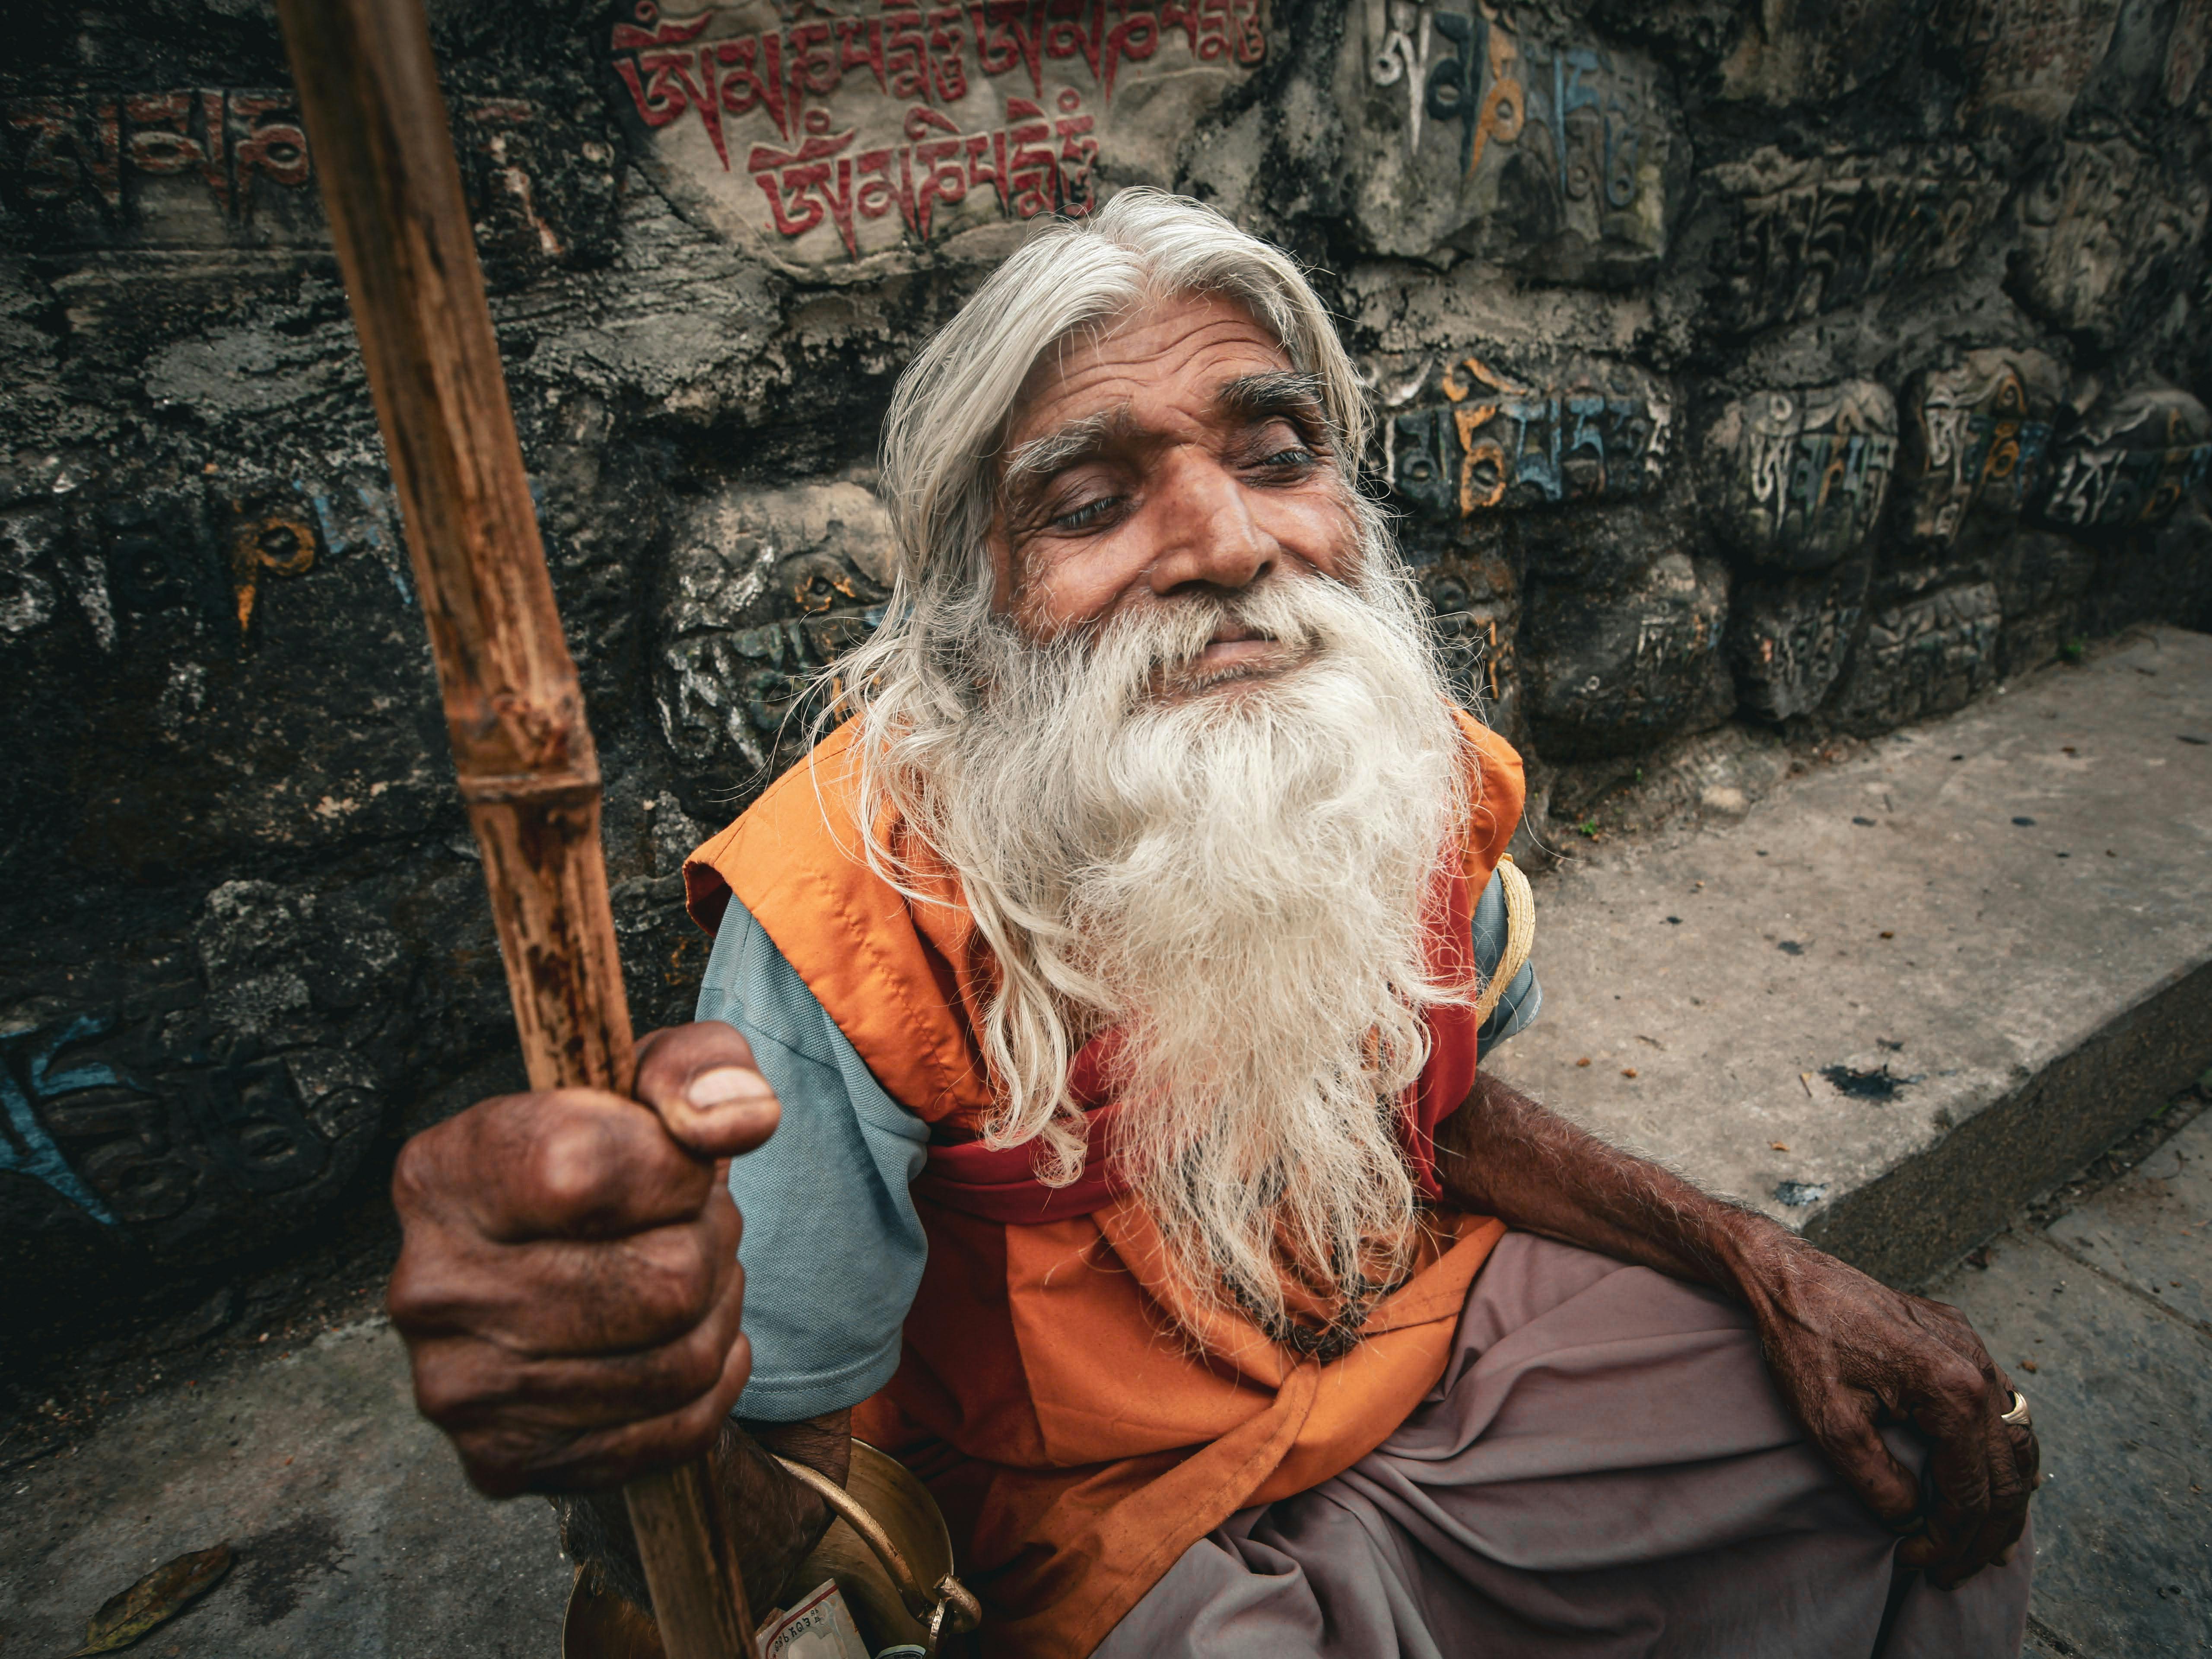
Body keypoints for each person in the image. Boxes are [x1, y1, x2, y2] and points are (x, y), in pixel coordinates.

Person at [386, 191, 2037, 1658]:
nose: (1231, 545)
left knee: (1899, 1461)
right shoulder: (846, 905)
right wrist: (626, 1432)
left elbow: (1445, 1110)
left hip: (1416, 1333)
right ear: (977, 599)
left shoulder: (1389, 759)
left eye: (1273, 456)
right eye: (1092, 504)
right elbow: (786, 1458)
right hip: (1101, 1503)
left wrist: (1765, 1262)